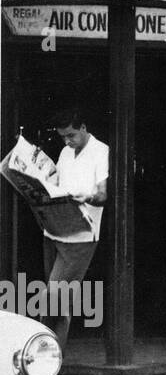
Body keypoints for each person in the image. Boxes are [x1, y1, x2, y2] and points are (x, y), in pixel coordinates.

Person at [42, 109, 109, 346]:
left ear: (83, 127)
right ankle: (52, 354)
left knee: (54, 295)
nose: (67, 141)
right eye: (63, 137)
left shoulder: (100, 151)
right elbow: (56, 184)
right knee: (60, 297)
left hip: (80, 235)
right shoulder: (65, 152)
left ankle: (45, 352)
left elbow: (102, 195)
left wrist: (87, 196)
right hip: (54, 230)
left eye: (71, 135)